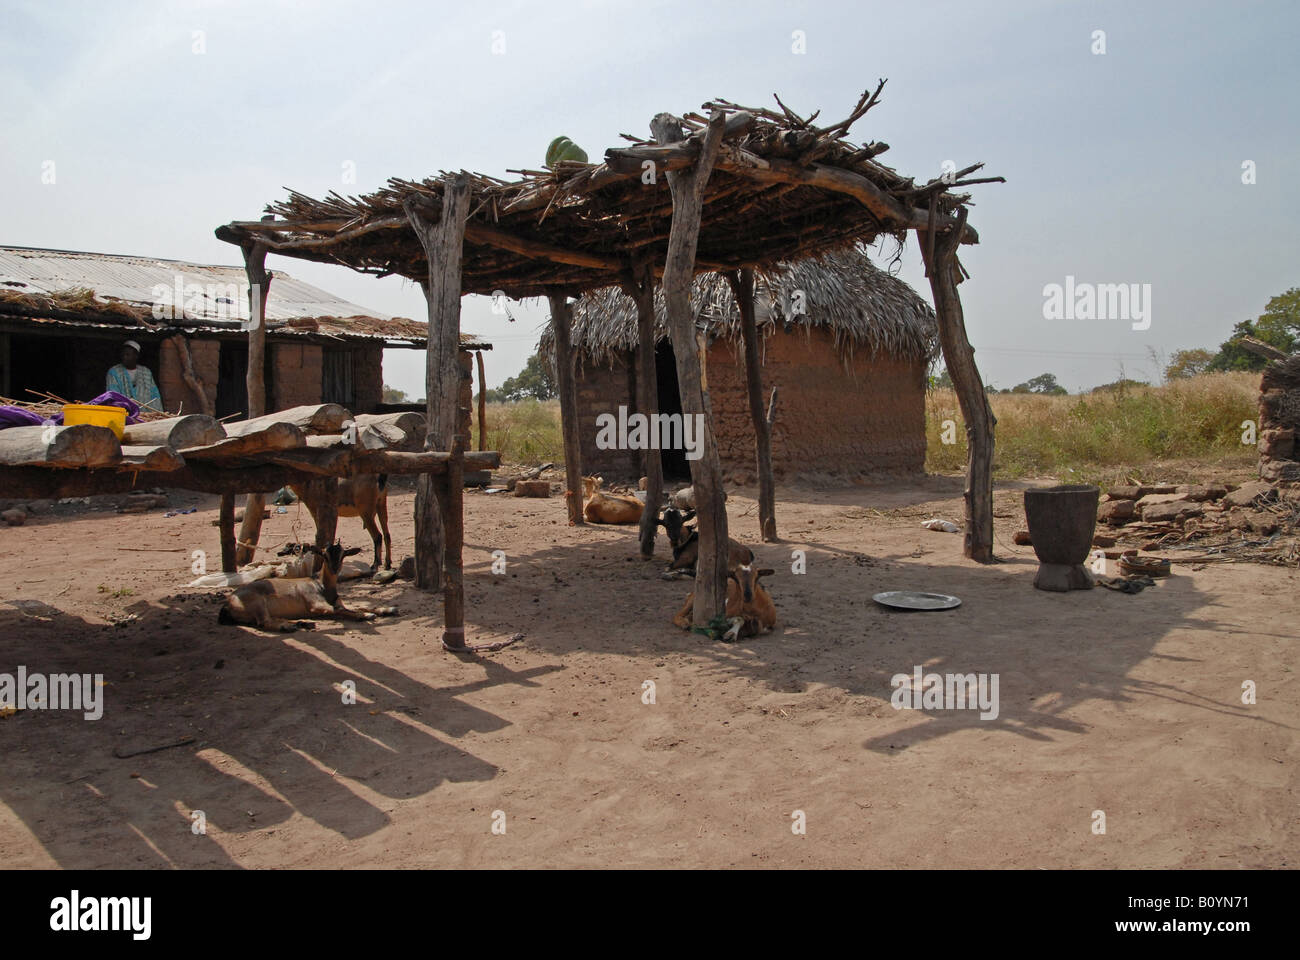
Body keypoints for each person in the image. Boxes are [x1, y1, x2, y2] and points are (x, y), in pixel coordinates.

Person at [105, 340, 163, 413]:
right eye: (123, 355)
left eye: (128, 354)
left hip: (146, 415)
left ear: (136, 356)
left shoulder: (146, 372)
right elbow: (113, 395)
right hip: (124, 414)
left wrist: (157, 413)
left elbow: (154, 396)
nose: (124, 357)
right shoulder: (114, 372)